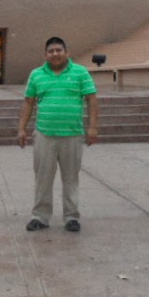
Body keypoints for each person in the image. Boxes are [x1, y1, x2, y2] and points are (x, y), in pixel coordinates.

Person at [17, 36, 98, 233]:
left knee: (71, 178)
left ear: (66, 52)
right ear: (45, 55)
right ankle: (40, 217)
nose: (55, 54)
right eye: (51, 51)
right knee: (43, 178)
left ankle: (71, 217)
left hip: (72, 134)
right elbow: (28, 102)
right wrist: (21, 128)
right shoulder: (37, 75)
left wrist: (93, 127)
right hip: (45, 134)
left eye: (59, 50)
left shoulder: (81, 73)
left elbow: (91, 99)